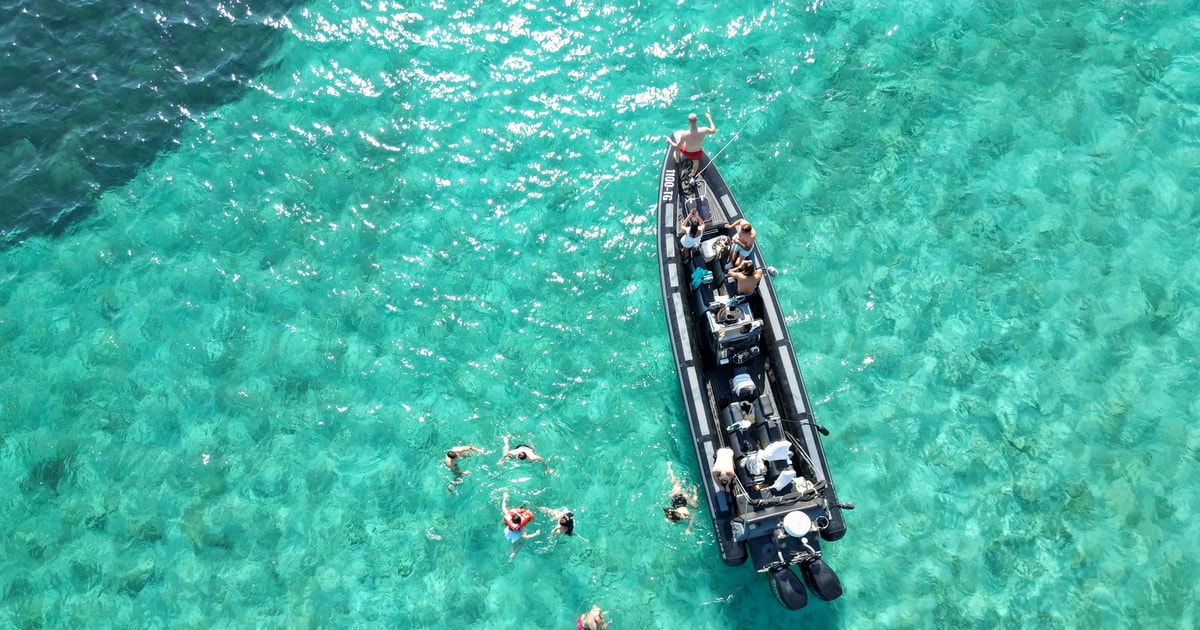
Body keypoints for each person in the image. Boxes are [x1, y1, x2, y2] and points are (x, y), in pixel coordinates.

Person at [665, 112, 717, 177]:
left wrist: (670, 141)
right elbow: (714, 130)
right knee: (696, 162)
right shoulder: (704, 130)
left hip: (687, 151)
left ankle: (677, 159)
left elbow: (676, 145)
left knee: (678, 148)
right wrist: (709, 118)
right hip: (697, 152)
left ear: (688, 122)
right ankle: (693, 173)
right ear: (697, 120)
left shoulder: (685, 134)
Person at [502, 491, 541, 561]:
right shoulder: (521, 527)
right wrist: (536, 534)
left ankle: (508, 554)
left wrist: (505, 498)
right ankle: (512, 557)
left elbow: (503, 506)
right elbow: (525, 536)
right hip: (516, 537)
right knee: (521, 544)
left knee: (511, 546)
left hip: (507, 532)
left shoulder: (508, 515)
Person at [663, 461, 698, 534]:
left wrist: (688, 528)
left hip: (681, 497)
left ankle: (695, 490)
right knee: (675, 484)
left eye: (681, 516)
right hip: (674, 502)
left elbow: (692, 518)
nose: (683, 517)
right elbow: (669, 516)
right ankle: (669, 469)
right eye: (680, 517)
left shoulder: (685, 512)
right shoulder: (673, 515)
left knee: (696, 505)